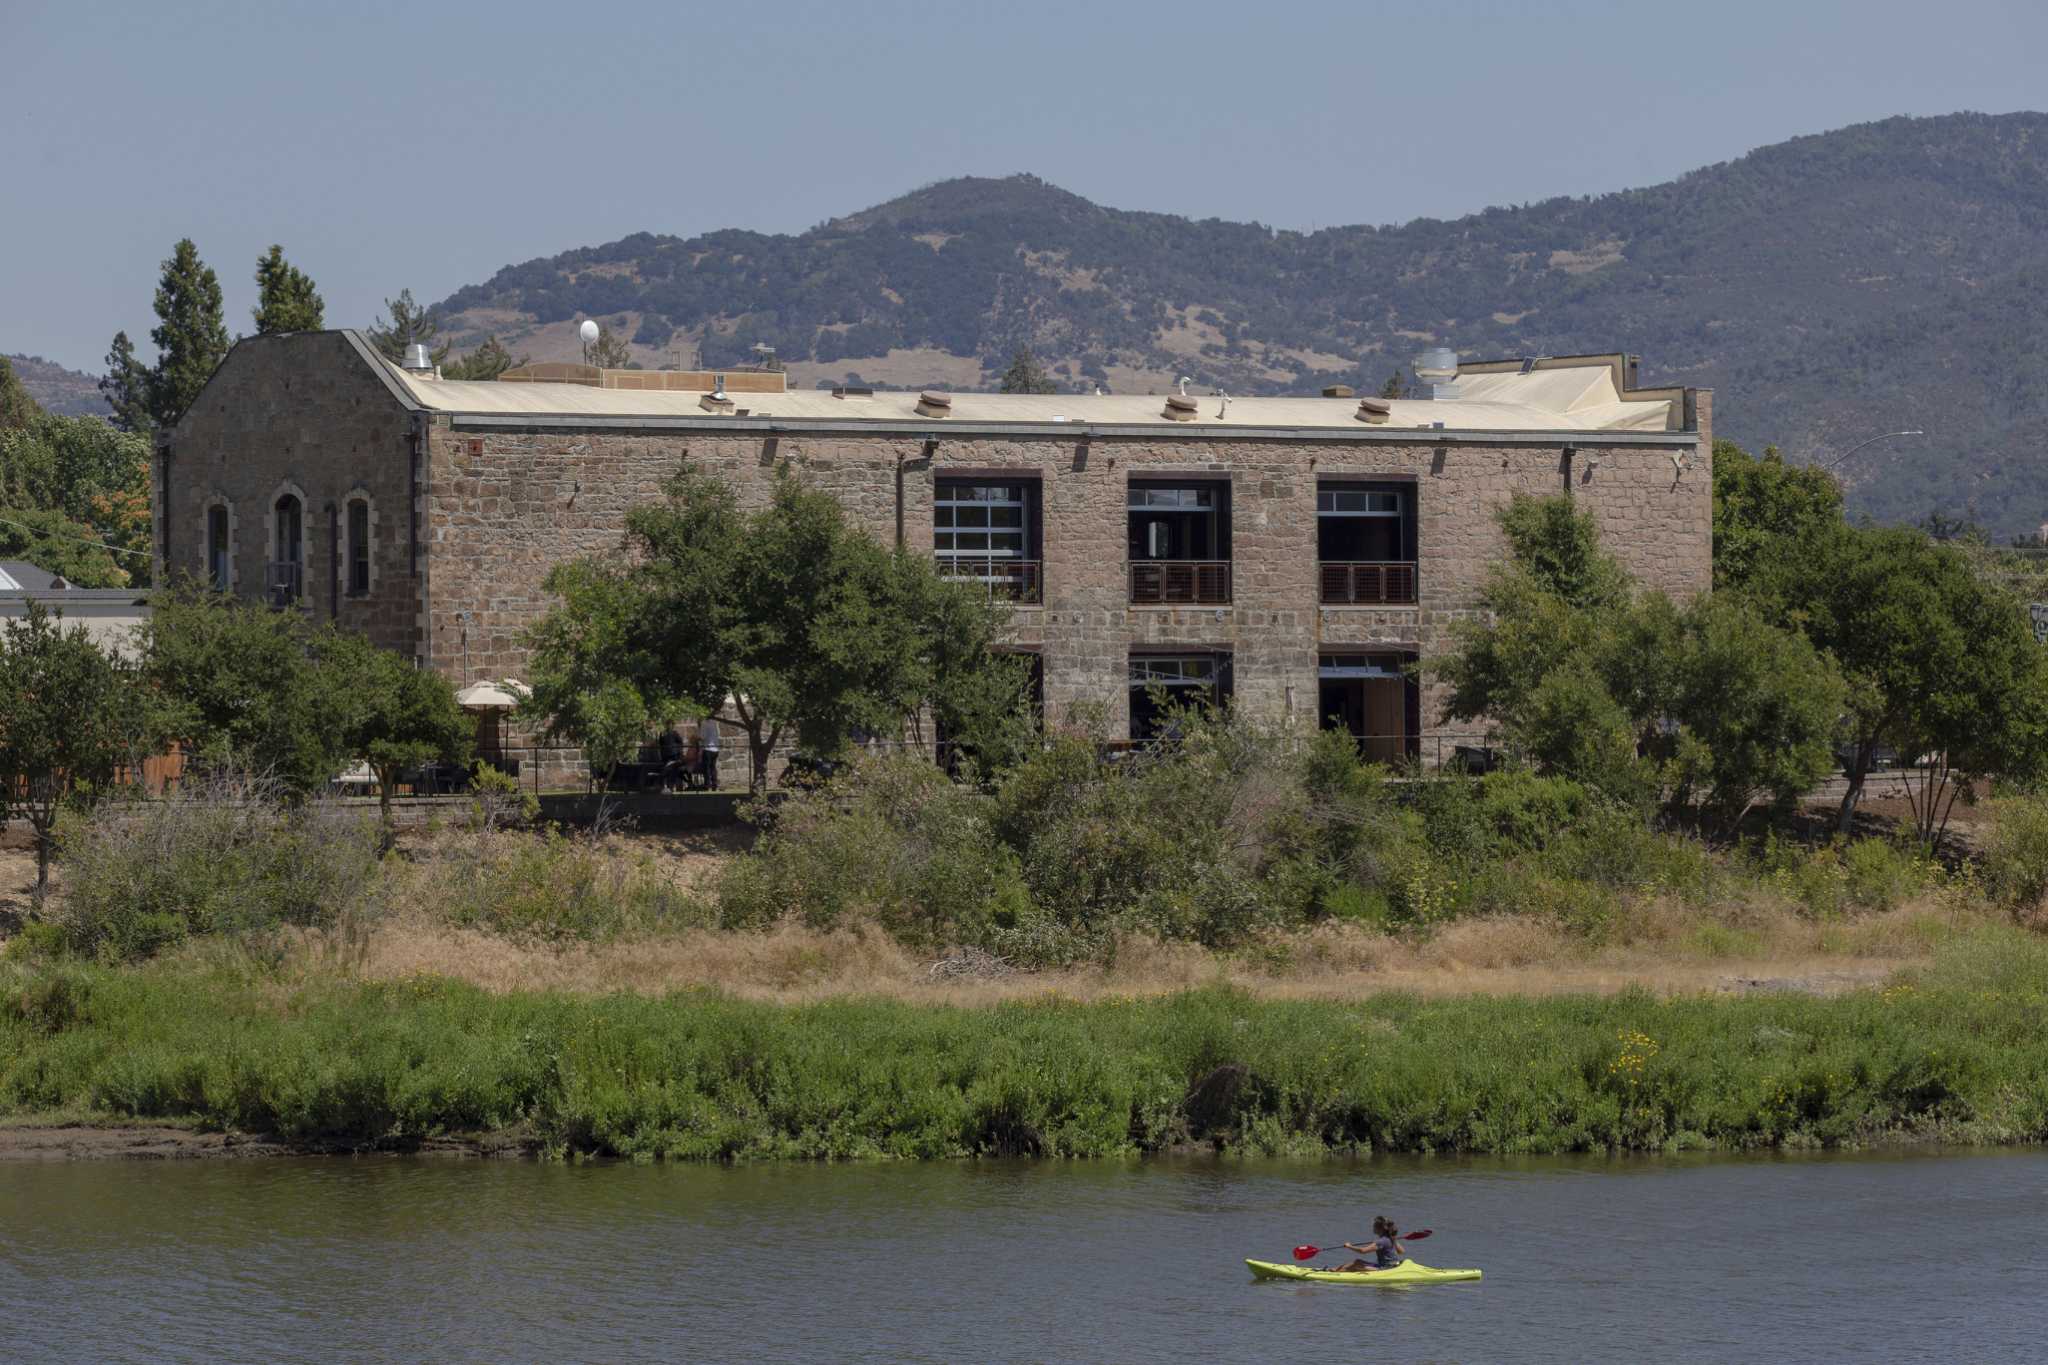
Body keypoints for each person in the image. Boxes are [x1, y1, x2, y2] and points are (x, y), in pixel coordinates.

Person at [1330, 1217, 1405, 1273]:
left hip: (1385, 1269)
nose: (1372, 1228)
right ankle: (1336, 1269)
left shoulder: (1381, 1241)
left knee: (1356, 1264)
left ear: (1379, 1229)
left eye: (1374, 1226)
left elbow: (1363, 1251)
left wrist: (1349, 1246)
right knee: (1357, 1261)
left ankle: (1336, 1272)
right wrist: (1394, 1240)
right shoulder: (1390, 1238)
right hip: (1391, 1266)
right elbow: (1401, 1252)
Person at [699, 715, 721, 791]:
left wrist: (697, 738)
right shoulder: (715, 722)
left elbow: (703, 737)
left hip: (708, 748)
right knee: (713, 767)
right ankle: (714, 784)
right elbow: (718, 734)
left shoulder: (704, 723)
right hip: (715, 749)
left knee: (707, 768)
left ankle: (707, 785)